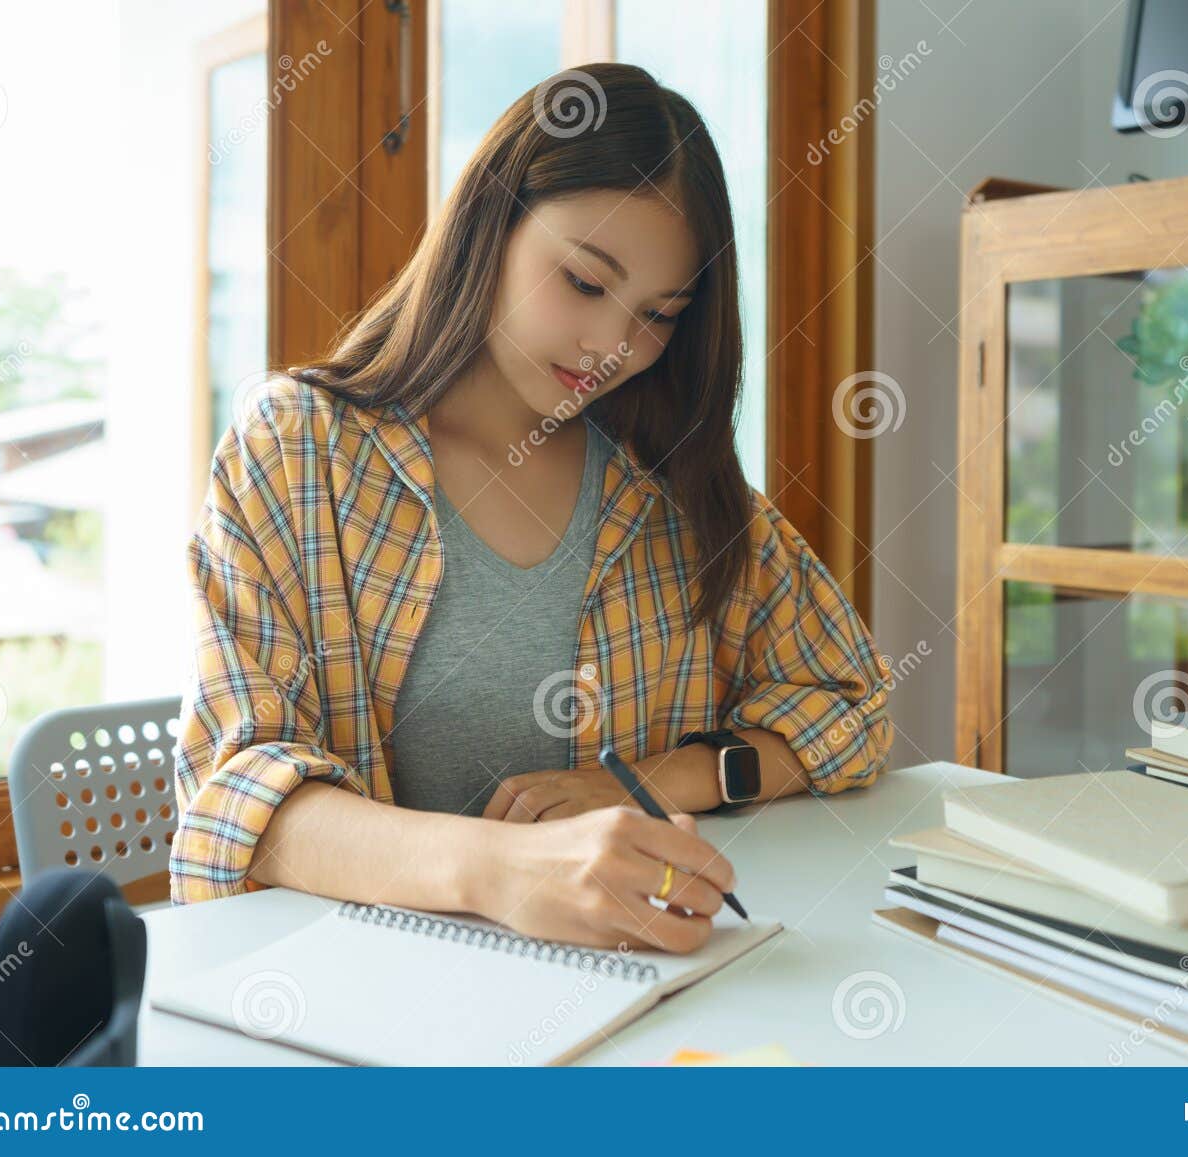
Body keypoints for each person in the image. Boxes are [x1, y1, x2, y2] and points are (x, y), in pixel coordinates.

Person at [171, 63, 893, 954]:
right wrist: (506, 868)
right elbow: (237, 799)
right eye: (586, 284)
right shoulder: (297, 449)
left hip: (638, 991)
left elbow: (854, 707)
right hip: (362, 998)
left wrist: (647, 781)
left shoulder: (669, 485)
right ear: (491, 221)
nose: (612, 348)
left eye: (659, 315)